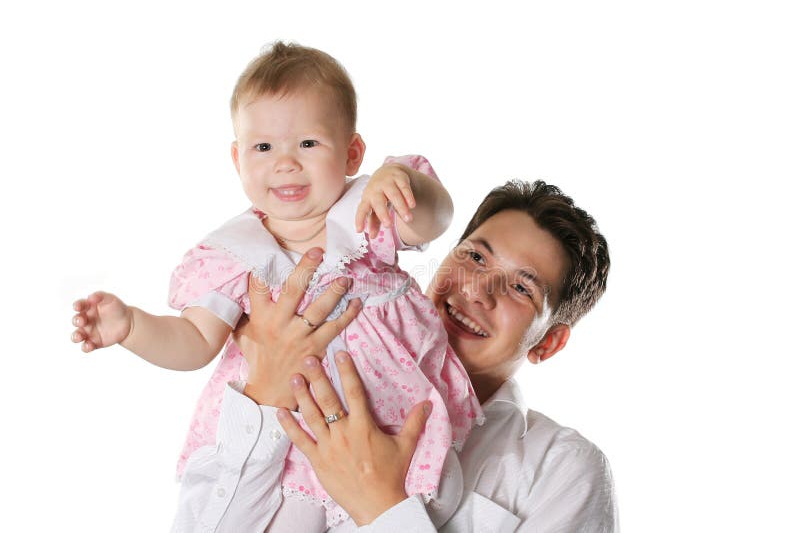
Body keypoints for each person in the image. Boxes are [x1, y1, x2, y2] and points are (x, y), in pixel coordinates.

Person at [69, 42, 482, 529]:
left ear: (352, 152)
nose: (285, 163)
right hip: (286, 444)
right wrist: (132, 326)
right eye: (263, 147)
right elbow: (195, 342)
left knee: (427, 501)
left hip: (388, 429)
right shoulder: (234, 255)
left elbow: (434, 220)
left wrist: (403, 181)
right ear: (237, 158)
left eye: (308, 144)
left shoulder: (369, 215)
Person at [171, 180, 618, 531]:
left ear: (549, 342)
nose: (477, 291)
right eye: (476, 257)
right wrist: (266, 396)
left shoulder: (562, 468)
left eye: (522, 287)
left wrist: (379, 503)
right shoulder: (312, 363)